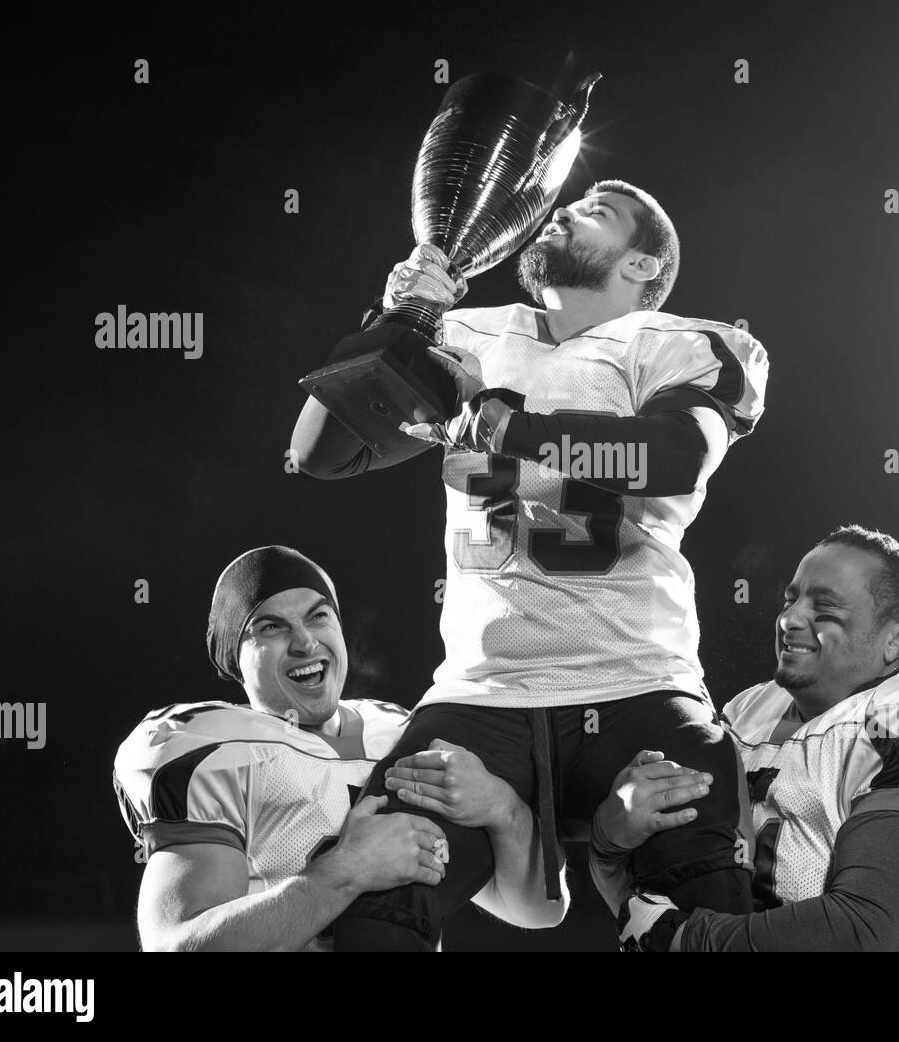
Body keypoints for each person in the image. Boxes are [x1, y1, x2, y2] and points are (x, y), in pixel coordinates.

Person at [292, 180, 769, 950]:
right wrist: (398, 321)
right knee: (370, 899)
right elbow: (321, 454)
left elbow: (674, 456)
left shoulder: (681, 343)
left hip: (639, 683)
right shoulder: (466, 334)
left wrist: (508, 426)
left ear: (645, 265)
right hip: (483, 694)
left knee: (702, 908)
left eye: (597, 212)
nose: (562, 211)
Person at [112, 546, 565, 951]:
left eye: (318, 615)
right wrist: (345, 871)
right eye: (270, 627)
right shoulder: (215, 750)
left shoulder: (402, 734)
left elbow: (539, 910)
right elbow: (178, 946)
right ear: (235, 656)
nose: (305, 641)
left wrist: (503, 809)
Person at [598, 525, 899, 951]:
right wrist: (610, 842)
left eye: (825, 608)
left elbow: (862, 934)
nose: (790, 618)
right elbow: (643, 915)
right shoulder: (748, 712)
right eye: (791, 599)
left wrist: (682, 940)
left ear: (897, 640)